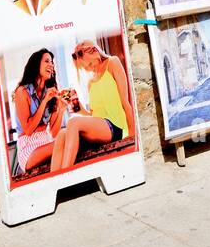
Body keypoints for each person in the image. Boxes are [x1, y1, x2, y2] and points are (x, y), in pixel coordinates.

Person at [56, 41, 134, 169]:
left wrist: (132, 135)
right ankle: (56, 181)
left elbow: (125, 102)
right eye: (85, 68)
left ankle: (66, 176)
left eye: (90, 64)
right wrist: (81, 109)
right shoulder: (90, 82)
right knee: (61, 135)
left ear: (95, 51)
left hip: (116, 127)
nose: (89, 68)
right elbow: (95, 115)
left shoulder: (112, 63)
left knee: (73, 122)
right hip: (102, 128)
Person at [12, 49, 67, 176]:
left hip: (46, 140)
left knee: (67, 138)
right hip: (28, 147)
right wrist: (44, 101)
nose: (51, 65)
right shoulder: (22, 91)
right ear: (36, 65)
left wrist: (61, 110)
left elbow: (53, 132)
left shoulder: (50, 92)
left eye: (52, 62)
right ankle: (60, 181)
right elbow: (28, 129)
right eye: (47, 61)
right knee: (63, 141)